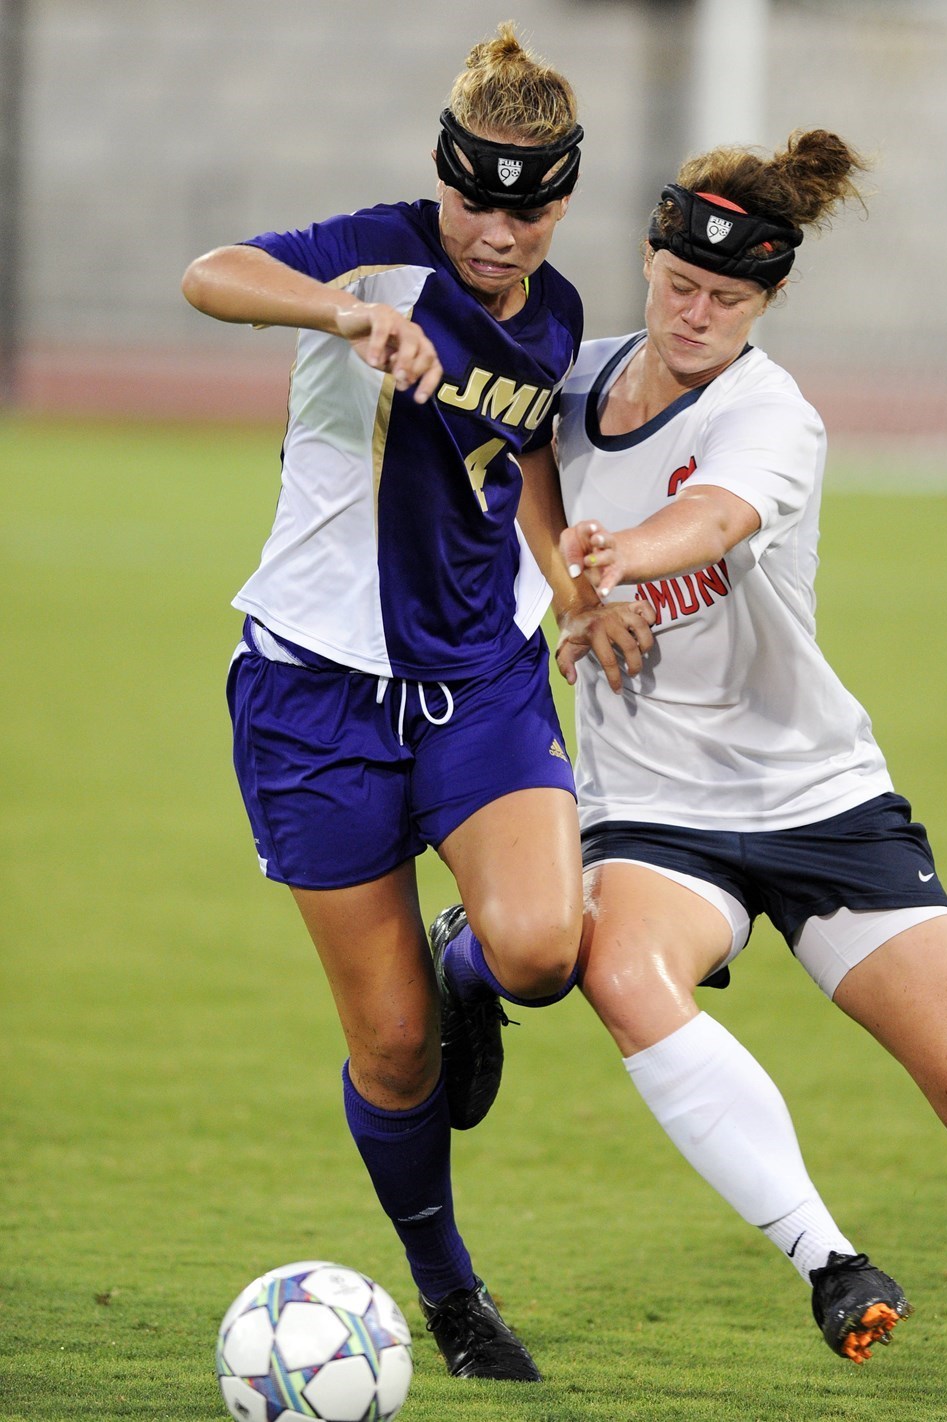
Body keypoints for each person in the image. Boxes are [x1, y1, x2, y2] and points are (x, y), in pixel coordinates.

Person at [181, 24, 648, 1383]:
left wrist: (568, 578)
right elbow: (210, 274)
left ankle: (471, 969)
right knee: (391, 1051)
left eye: (533, 203)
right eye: (478, 198)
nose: (500, 230)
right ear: (441, 174)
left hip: (479, 678)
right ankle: (451, 1295)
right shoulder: (379, 248)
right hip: (314, 695)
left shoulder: (553, 312)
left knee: (542, 950)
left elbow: (534, 458)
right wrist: (343, 312)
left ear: (563, 197)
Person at [546, 130, 947, 1360]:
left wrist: (614, 561)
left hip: (816, 796)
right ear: (646, 261)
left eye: (729, 298)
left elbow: (710, 518)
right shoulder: (570, 388)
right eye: (679, 284)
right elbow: (513, 483)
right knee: (620, 974)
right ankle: (828, 1259)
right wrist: (566, 580)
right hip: (652, 807)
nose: (697, 313)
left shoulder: (771, 414)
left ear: (766, 302)